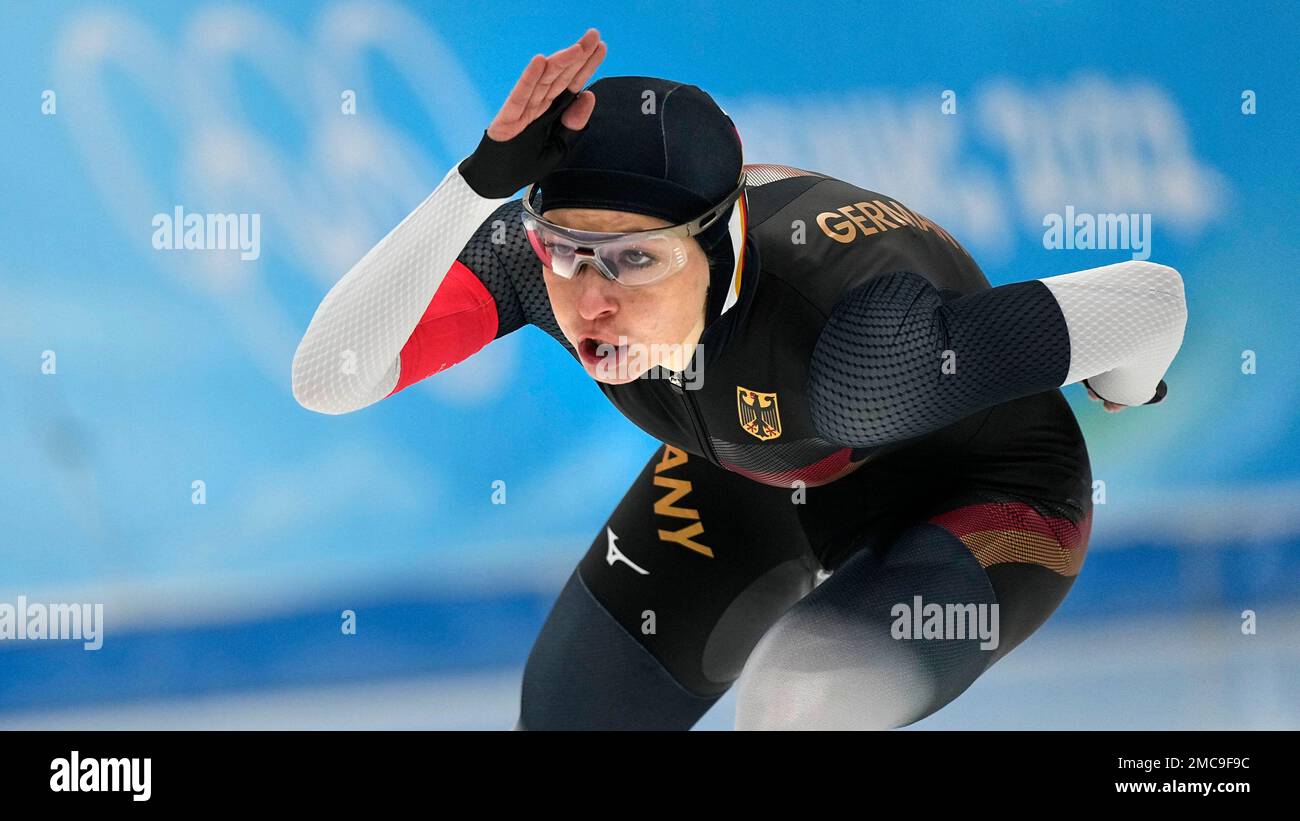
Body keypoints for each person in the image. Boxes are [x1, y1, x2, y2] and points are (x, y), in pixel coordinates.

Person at [291, 29, 1187, 730]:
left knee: (803, 696)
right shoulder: (543, 268)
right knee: (571, 712)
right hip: (751, 467)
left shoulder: (859, 350)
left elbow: (1152, 299)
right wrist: (475, 186)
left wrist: (1128, 391)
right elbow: (330, 377)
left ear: (722, 247)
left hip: (981, 493)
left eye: (635, 261)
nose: (591, 303)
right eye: (566, 256)